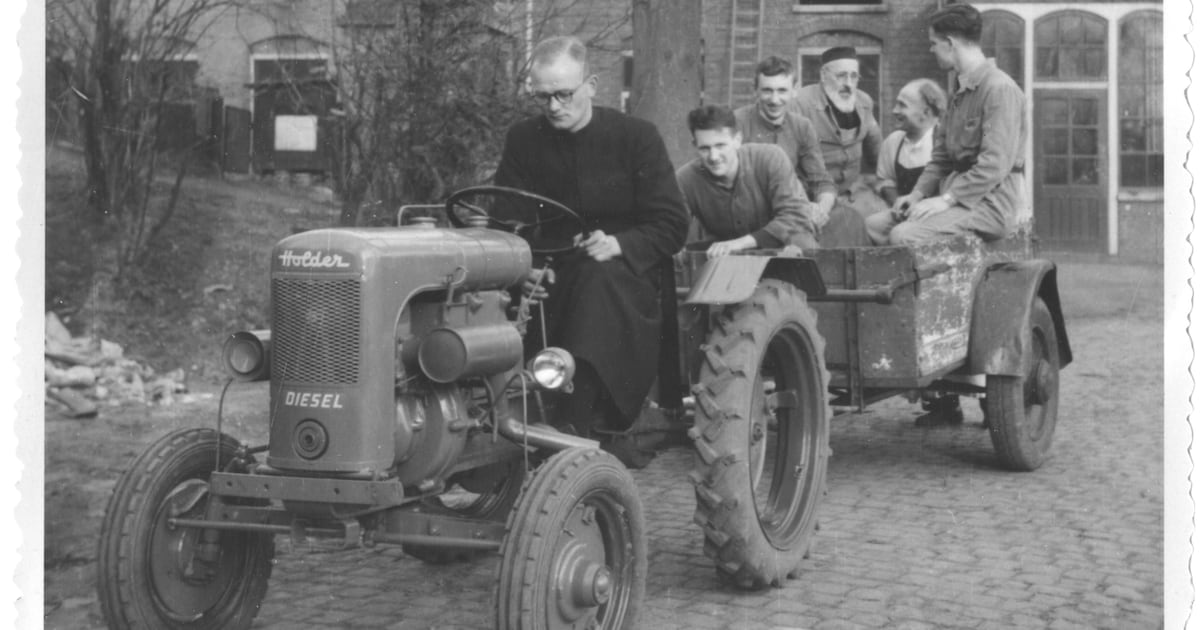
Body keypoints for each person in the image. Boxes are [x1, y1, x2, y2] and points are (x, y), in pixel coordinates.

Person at [492, 36, 689, 458]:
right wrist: (519, 269)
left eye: (564, 93)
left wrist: (620, 243)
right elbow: (502, 219)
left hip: (622, 281)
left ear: (593, 84)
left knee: (596, 286)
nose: (554, 106)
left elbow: (673, 224)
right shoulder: (524, 139)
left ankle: (576, 425)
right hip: (544, 276)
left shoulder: (636, 137)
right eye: (542, 96)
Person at [870, 3, 1027, 246]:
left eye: (933, 43)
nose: (931, 50)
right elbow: (942, 156)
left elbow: (994, 165)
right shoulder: (961, 91)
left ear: (950, 43)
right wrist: (917, 194)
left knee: (902, 235)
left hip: (991, 205)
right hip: (959, 200)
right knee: (875, 226)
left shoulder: (999, 89)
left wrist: (945, 200)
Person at [676, 104, 819, 257]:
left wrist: (738, 244)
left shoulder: (770, 158)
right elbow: (671, 224)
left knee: (802, 241)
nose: (713, 156)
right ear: (695, 146)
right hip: (726, 258)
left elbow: (796, 217)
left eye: (720, 145)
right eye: (705, 148)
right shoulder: (685, 179)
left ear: (737, 140)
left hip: (781, 251)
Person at [792, 45, 884, 246]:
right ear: (823, 75)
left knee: (884, 227)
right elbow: (788, 163)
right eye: (841, 76)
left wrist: (882, 183)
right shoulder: (800, 104)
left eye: (854, 76)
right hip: (815, 199)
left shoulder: (864, 102)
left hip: (854, 193)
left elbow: (877, 153)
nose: (849, 84)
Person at [733, 56, 837, 228]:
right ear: (755, 91)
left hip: (791, 207)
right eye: (767, 90)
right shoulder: (737, 122)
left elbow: (820, 180)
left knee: (848, 220)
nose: (774, 100)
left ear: (794, 91)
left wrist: (820, 209)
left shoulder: (802, 126)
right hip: (749, 211)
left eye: (782, 91)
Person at [865, 78, 948, 245]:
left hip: (938, 214)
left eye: (902, 105)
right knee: (871, 225)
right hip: (906, 212)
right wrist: (898, 203)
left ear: (926, 112)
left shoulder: (944, 142)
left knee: (900, 234)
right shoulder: (894, 142)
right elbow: (885, 181)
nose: (894, 111)